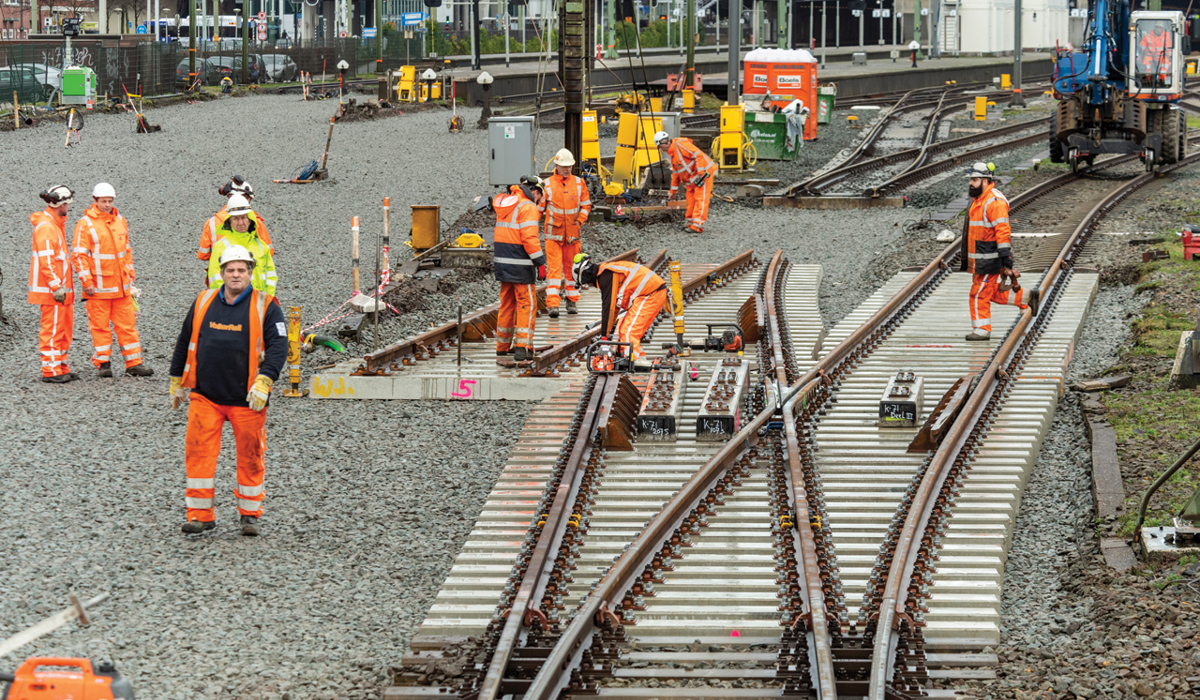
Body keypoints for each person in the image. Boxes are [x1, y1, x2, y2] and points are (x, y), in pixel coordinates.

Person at [169, 245, 287, 536]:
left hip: (247, 400)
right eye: (230, 270)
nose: (236, 275)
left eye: (241, 270)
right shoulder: (204, 301)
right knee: (198, 454)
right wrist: (175, 380)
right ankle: (200, 515)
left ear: (250, 273)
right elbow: (184, 340)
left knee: (251, 455)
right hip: (205, 396)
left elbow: (279, 347)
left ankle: (249, 514)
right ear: (221, 273)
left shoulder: (267, 305)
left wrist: (265, 380)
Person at [72, 183, 154, 378]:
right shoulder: (85, 224)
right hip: (98, 289)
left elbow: (126, 251)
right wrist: (87, 282)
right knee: (100, 327)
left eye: (110, 201)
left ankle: (134, 363)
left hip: (121, 288)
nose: (107, 205)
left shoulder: (120, 221)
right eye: (103, 201)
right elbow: (79, 256)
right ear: (95, 201)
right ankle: (103, 364)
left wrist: (130, 275)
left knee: (127, 325)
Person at [961, 162, 1039, 341]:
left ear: (986, 180)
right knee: (990, 292)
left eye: (975, 179)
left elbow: (1002, 231)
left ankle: (981, 330)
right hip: (980, 258)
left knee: (978, 293)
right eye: (971, 180)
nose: (971, 183)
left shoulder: (994, 202)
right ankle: (1026, 297)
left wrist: (1006, 258)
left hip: (989, 258)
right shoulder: (979, 200)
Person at [572, 253, 667, 370]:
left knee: (628, 331)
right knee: (627, 330)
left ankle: (633, 362)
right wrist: (606, 335)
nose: (590, 285)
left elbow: (608, 307)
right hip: (650, 293)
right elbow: (614, 308)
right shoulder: (607, 273)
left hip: (650, 293)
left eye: (587, 283)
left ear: (586, 275)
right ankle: (640, 361)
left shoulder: (605, 275)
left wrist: (604, 338)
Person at [493, 175, 548, 362]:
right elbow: (529, 238)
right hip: (520, 262)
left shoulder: (507, 203)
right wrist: (540, 262)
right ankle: (522, 347)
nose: (539, 202)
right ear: (535, 191)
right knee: (527, 303)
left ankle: (502, 346)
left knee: (507, 303)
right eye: (540, 197)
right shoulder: (528, 207)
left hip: (502, 262)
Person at [29, 186, 77, 383]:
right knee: (53, 330)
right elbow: (47, 261)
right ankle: (50, 371)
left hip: (60, 292)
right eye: (66, 204)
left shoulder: (54, 224)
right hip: (53, 292)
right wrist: (56, 286)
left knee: (63, 330)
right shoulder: (48, 227)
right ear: (60, 204)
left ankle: (60, 366)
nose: (68, 207)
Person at [541, 148, 592, 319]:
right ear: (556, 165)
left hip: (572, 235)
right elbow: (539, 208)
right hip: (553, 236)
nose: (567, 169)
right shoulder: (547, 184)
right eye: (564, 166)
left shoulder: (579, 183)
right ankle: (553, 305)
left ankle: (572, 301)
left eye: (569, 166)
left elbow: (586, 205)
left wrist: (579, 221)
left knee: (572, 271)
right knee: (554, 272)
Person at [207, 194, 278, 296]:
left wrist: (267, 301)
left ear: (250, 219)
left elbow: (271, 277)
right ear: (229, 221)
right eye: (236, 218)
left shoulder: (261, 246)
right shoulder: (220, 247)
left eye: (244, 217)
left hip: (259, 303)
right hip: (233, 305)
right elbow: (215, 281)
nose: (241, 223)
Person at [197, 176, 273, 263]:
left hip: (220, 273)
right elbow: (268, 252)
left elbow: (203, 254)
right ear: (247, 199)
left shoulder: (212, 223)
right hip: (250, 273)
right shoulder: (256, 222)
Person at [655, 131, 718, 234]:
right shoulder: (673, 156)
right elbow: (676, 175)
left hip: (702, 175)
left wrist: (701, 172)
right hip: (692, 180)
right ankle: (691, 223)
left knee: (700, 199)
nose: (660, 149)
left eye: (660, 146)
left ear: (665, 142)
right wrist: (672, 192)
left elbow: (698, 155)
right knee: (690, 200)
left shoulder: (680, 145)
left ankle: (697, 226)